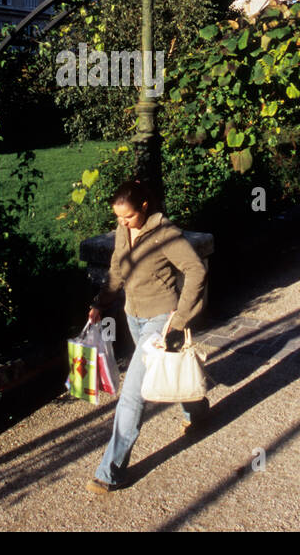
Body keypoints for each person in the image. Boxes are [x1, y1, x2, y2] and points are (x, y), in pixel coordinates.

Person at [85, 179, 209, 494]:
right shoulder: (124, 232)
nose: (121, 223)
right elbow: (116, 271)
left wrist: (179, 319)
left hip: (161, 320)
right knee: (168, 369)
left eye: (127, 217)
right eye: (117, 218)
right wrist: (100, 302)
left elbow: (196, 270)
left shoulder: (166, 235)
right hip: (133, 316)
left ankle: (110, 472)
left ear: (143, 207)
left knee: (133, 393)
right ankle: (197, 410)